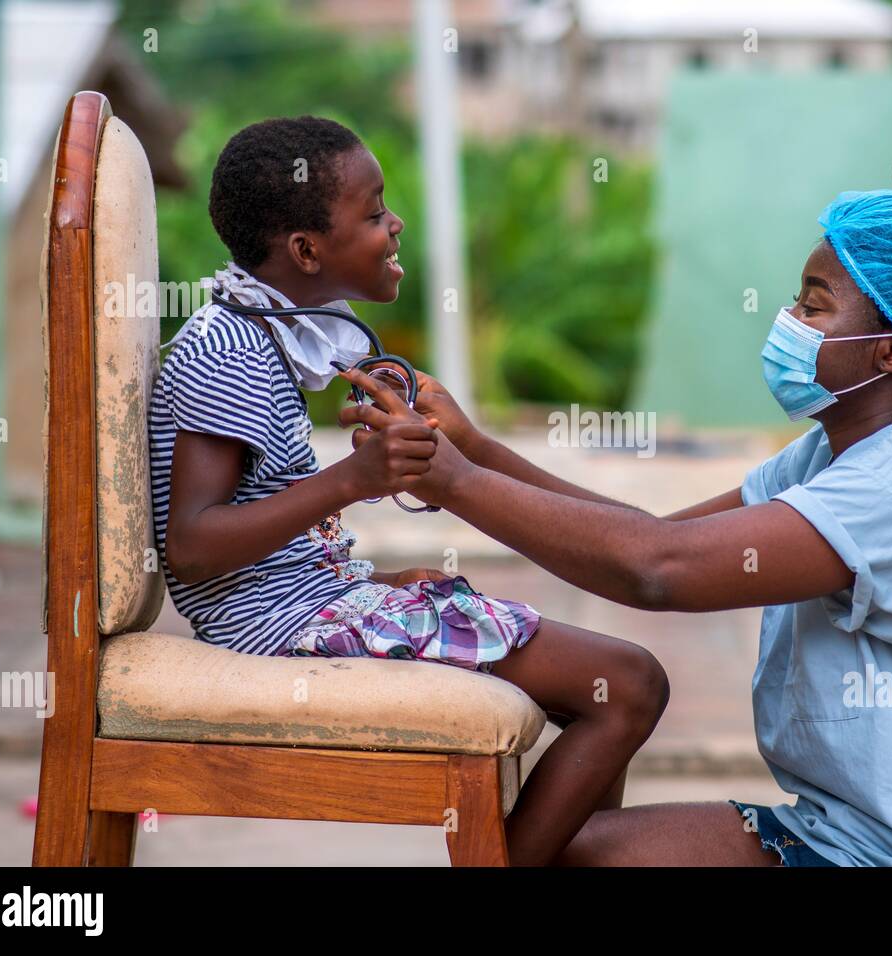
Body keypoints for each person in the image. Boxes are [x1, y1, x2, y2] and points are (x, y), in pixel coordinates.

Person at [344, 189, 892, 866]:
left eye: (814, 306)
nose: (789, 320)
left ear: (891, 352)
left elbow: (659, 569)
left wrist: (453, 478)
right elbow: (644, 534)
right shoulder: (830, 455)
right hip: (851, 838)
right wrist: (473, 451)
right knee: (565, 849)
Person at [149, 115, 669, 866]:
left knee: (606, 684)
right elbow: (194, 549)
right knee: (625, 683)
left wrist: (370, 577)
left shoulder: (268, 329)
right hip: (275, 629)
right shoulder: (227, 350)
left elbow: (264, 536)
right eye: (372, 213)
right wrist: (353, 480)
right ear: (305, 249)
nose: (396, 225)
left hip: (302, 603)